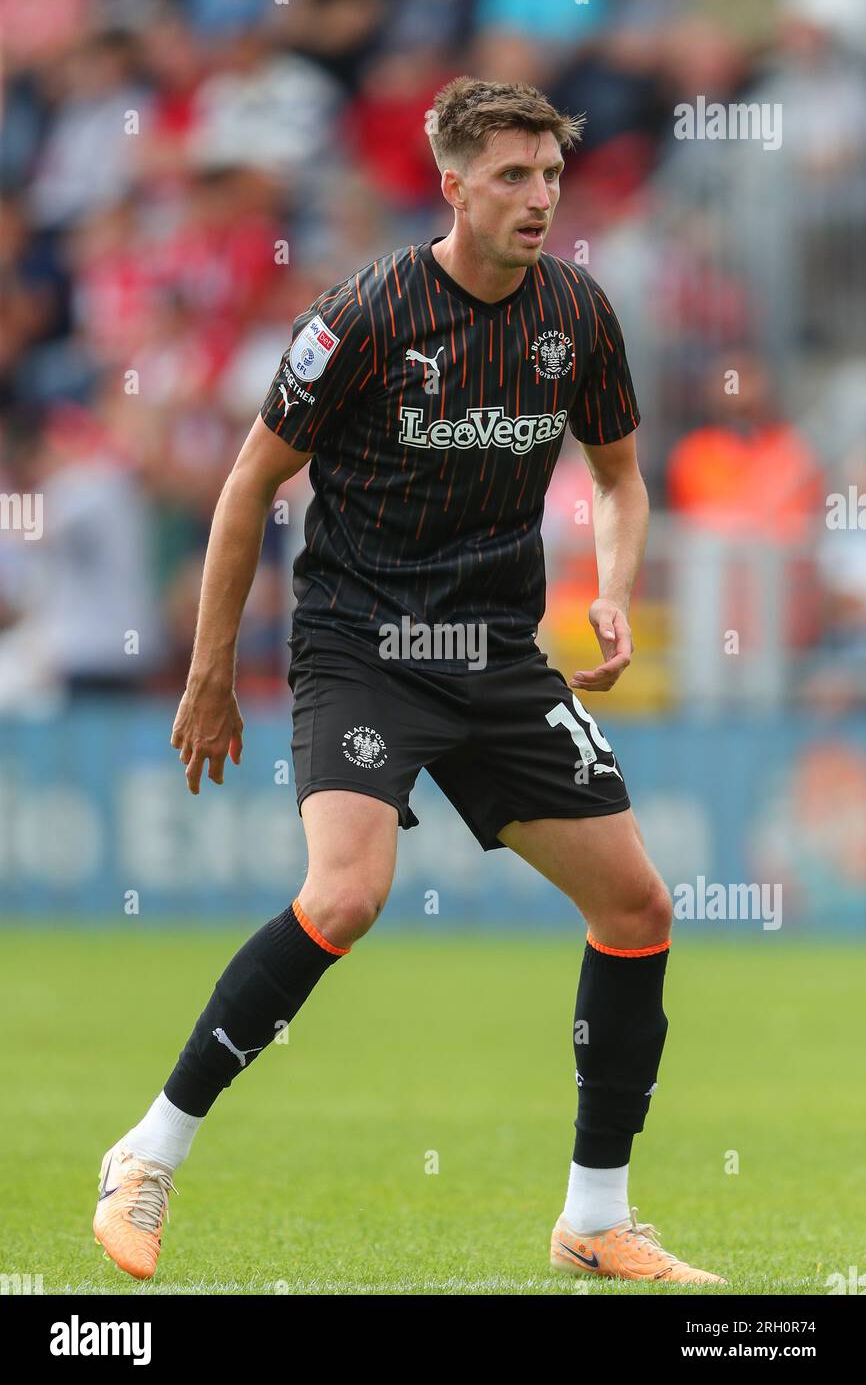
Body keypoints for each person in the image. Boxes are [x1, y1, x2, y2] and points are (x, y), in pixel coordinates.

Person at [93, 76, 725, 1287]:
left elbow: (621, 476)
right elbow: (243, 489)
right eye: (510, 177)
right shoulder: (365, 315)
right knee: (346, 893)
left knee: (637, 909)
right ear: (451, 184)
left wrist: (610, 584)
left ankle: (594, 1216)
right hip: (362, 640)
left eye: (548, 175)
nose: (538, 198)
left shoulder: (576, 314)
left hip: (491, 651)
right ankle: (146, 1152)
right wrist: (212, 672)